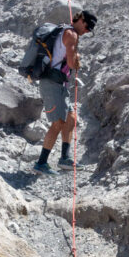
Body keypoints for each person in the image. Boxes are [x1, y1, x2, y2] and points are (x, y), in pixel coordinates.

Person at [33, 9, 97, 174]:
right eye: (87, 26)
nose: (87, 31)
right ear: (81, 19)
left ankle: (65, 159)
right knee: (58, 123)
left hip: (59, 83)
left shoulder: (64, 30)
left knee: (71, 119)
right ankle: (41, 163)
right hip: (52, 83)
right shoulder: (72, 34)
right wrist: (77, 61)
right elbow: (71, 62)